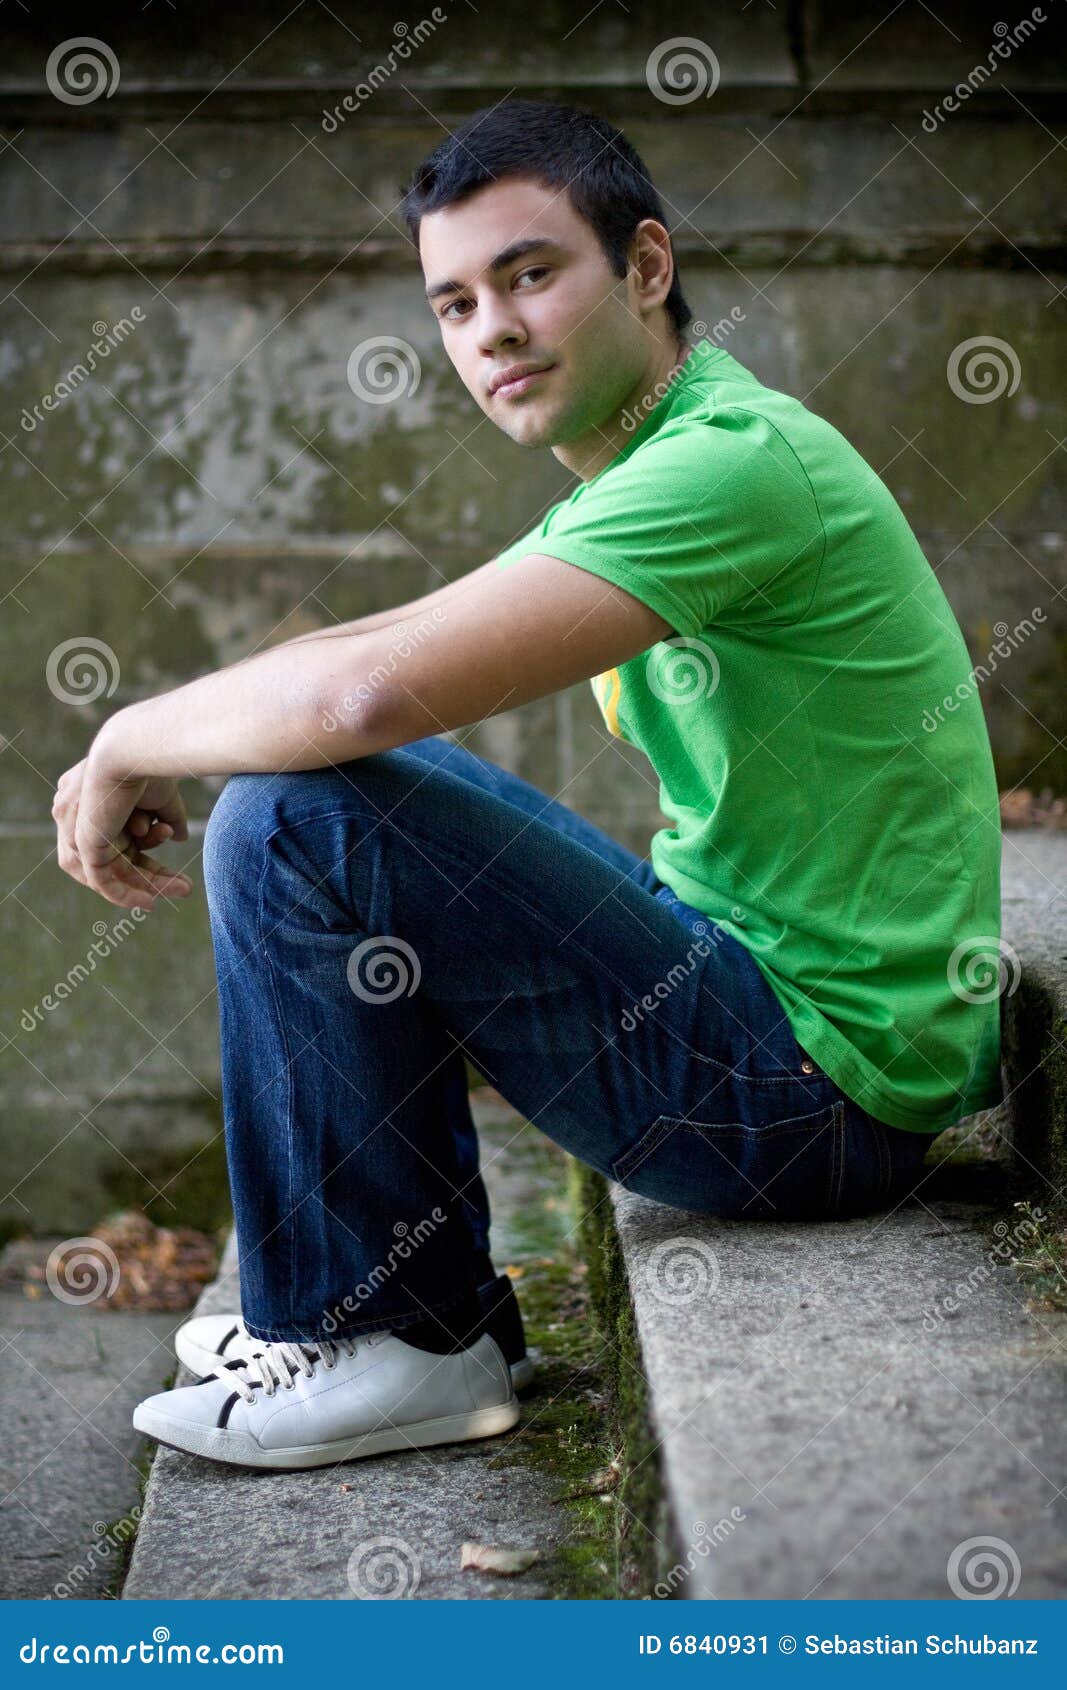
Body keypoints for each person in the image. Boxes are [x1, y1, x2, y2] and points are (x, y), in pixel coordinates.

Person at [53, 99, 1002, 1471]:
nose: (491, 329)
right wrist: (135, 736)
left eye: (531, 273)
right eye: (453, 302)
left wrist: (131, 735)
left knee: (296, 814)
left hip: (814, 1092)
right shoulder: (657, 463)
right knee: (314, 788)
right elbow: (371, 644)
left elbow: (360, 698)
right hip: (762, 1014)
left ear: (647, 267)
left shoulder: (731, 466)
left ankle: (389, 1335)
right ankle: (415, 1313)